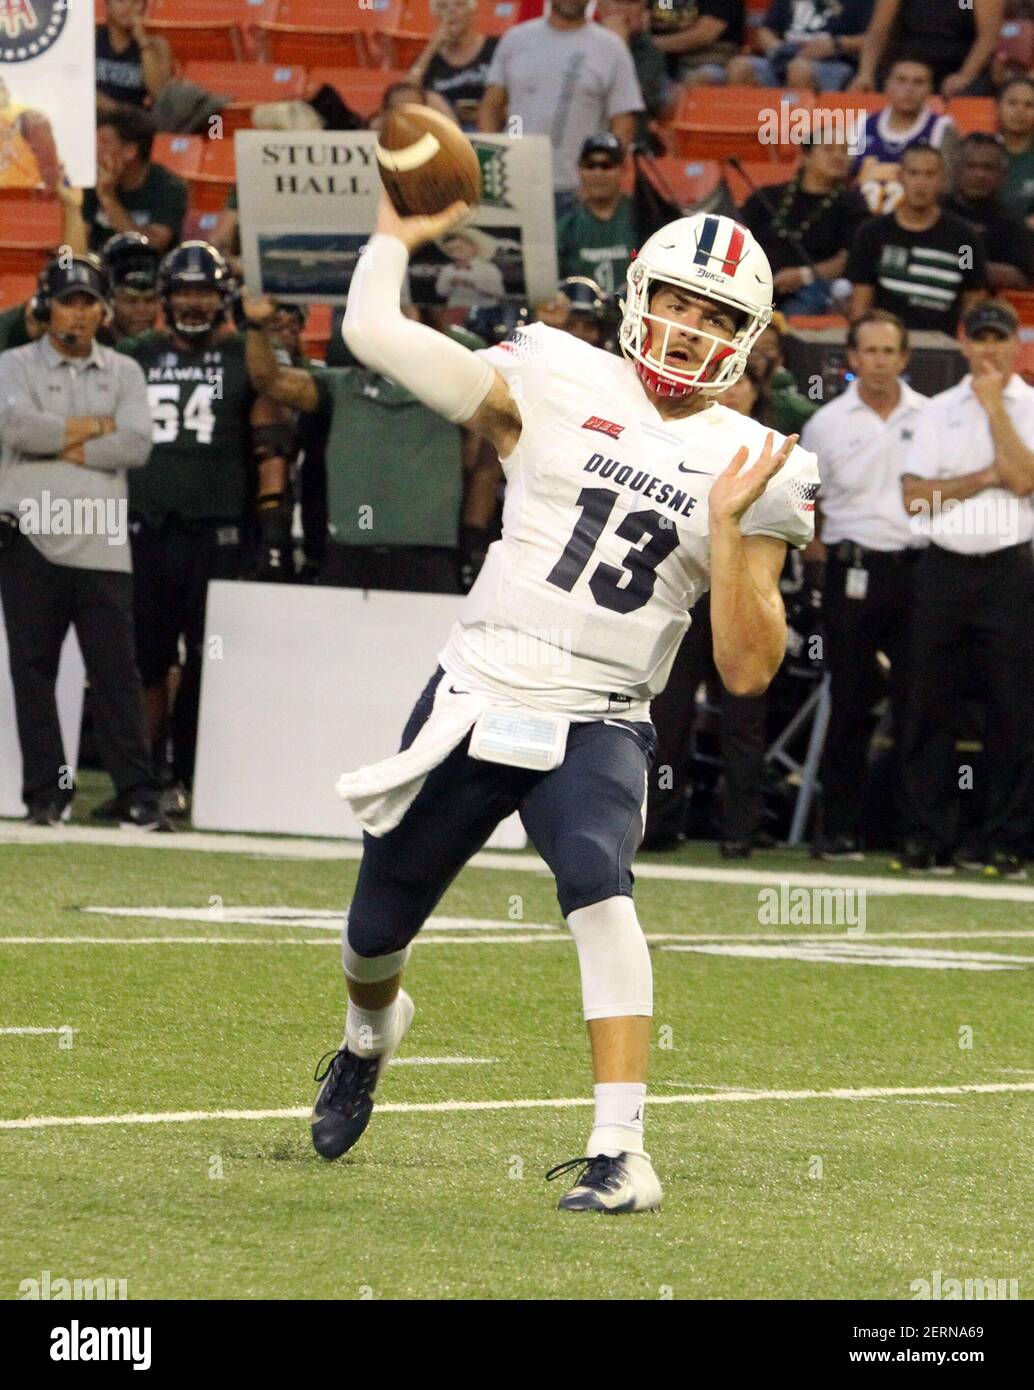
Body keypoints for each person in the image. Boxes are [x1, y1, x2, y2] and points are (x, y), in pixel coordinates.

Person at [294, 189, 818, 1215]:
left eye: (716, 316)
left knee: (596, 879)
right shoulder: (551, 369)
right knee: (374, 926)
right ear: (637, 296)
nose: (689, 327)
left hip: (598, 714)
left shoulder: (765, 464)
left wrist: (724, 532)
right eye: (678, 300)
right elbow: (367, 331)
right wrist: (393, 239)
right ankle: (368, 1037)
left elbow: (749, 669)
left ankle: (620, 1149)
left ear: (746, 339)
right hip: (476, 691)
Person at [116, 243, 289, 816]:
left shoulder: (246, 355)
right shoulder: (137, 354)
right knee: (145, 658)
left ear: (224, 297)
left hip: (217, 535)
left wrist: (271, 526)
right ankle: (140, 784)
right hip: (145, 531)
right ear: (165, 298)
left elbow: (270, 444)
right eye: (185, 291)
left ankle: (186, 776)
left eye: (205, 291)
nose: (194, 302)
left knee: (202, 661)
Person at [0, 255, 167, 830]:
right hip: (28, 539)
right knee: (33, 672)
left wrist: (58, 440)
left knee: (116, 673)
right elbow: (15, 429)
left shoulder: (125, 372)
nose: (78, 313)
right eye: (67, 301)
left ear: (103, 310)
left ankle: (138, 795)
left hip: (102, 541)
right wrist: (98, 427)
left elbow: (138, 445)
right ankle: (47, 795)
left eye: (88, 302)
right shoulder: (11, 365)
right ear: (45, 307)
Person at [898, 300, 1034, 877]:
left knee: (1013, 709)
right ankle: (928, 836)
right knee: (929, 705)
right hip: (943, 568)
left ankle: (1004, 839)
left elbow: (1025, 480)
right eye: (980, 340)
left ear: (1015, 345)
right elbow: (916, 498)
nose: (989, 350)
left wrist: (995, 407)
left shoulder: (1030, 406)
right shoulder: (934, 412)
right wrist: (984, 476)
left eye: (999, 340)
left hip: (1010, 569)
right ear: (964, 344)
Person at [801, 311, 927, 860]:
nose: (878, 361)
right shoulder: (824, 424)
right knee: (849, 700)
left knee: (920, 703)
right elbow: (806, 510)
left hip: (920, 570)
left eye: (888, 350)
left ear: (904, 357)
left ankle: (918, 833)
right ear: (852, 358)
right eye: (868, 351)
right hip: (849, 571)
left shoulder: (935, 418)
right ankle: (841, 830)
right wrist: (814, 565)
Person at [643, 364, 771, 858]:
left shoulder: (776, 449)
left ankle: (740, 828)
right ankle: (657, 822)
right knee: (668, 712)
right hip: (684, 589)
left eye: (744, 379)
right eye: (726, 380)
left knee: (744, 716)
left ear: (758, 388)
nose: (735, 390)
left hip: (741, 594)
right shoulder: (680, 438)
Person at [478, 0, 644, 218]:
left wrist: (599, 181)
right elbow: (490, 109)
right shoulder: (516, 39)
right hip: (516, 184)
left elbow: (623, 124)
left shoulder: (611, 48)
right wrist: (491, 173)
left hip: (578, 192)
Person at [847, 144, 987, 335]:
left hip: (942, 349)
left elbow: (972, 299)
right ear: (900, 177)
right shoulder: (871, 234)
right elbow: (860, 307)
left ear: (942, 180)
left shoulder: (965, 240)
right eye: (913, 173)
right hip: (887, 350)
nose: (921, 183)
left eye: (929, 174)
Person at [740, 134, 870, 315]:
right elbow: (738, 239)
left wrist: (803, 275)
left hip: (811, 288)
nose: (839, 156)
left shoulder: (852, 204)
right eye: (828, 149)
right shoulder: (767, 197)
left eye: (845, 151)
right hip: (757, 282)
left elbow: (850, 260)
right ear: (806, 156)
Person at [71, 109, 187, 256]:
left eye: (104, 142)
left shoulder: (168, 187)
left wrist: (108, 198)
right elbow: (77, 247)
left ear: (130, 151)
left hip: (144, 271)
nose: (94, 148)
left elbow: (152, 245)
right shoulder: (91, 180)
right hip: (98, 267)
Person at [852, 59, 957, 216]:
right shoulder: (863, 123)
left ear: (930, 89)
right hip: (861, 220)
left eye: (918, 82)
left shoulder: (941, 128)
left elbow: (947, 187)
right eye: (901, 80)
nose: (909, 89)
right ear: (887, 85)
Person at [852, 0, 1005, 98]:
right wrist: (865, 73)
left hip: (959, 65)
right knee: (861, 87)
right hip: (908, 62)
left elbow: (988, 38)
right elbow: (877, 31)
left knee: (970, 93)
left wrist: (964, 76)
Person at [945, 133, 1034, 292]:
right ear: (955, 170)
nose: (980, 175)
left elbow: (1023, 277)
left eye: (988, 167)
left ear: (1003, 175)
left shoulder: (1012, 224)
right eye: (971, 166)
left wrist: (966, 265)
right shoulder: (935, 211)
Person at [726, 0, 875, 91]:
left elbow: (874, 39)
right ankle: (746, 136)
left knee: (799, 70)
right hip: (785, 56)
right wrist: (776, 47)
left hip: (833, 60)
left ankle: (799, 139)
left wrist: (836, 44)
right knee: (739, 66)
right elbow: (765, 30)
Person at [556, 132, 636, 294]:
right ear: (580, 170)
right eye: (590, 165)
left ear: (623, 169)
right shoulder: (565, 223)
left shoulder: (643, 216)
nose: (598, 173)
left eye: (606, 165)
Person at [407, 0, 500, 129]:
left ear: (472, 11)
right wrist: (432, 47)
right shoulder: (429, 58)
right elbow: (405, 96)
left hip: (492, 125)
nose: (451, 11)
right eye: (442, 6)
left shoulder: (495, 47)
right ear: (435, 15)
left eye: (459, 4)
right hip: (444, 129)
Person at [96, 0, 173, 113]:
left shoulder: (157, 46)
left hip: (136, 122)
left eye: (136, 1)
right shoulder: (91, 39)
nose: (129, 7)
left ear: (144, 7)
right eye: (121, 1)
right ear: (107, 5)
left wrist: (143, 42)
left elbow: (159, 95)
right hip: (95, 118)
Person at [648, 0, 746, 87]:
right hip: (657, 61)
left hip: (707, 62)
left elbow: (704, 35)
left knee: (702, 77)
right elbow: (639, 20)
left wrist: (649, 44)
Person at [101, 232, 162, 343]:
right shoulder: (91, 347)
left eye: (149, 300)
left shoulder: (170, 345)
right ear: (110, 301)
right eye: (131, 301)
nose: (141, 310)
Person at [435, 228, 505, 309]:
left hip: (484, 310)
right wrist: (450, 284)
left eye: (460, 249)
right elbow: (440, 292)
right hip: (456, 310)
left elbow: (499, 293)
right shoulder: (447, 269)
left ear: (473, 248)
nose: (455, 254)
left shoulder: (488, 268)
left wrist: (474, 285)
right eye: (451, 251)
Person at [998, 76, 1034, 222]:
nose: (1020, 111)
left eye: (1029, 105)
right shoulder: (981, 155)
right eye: (1012, 103)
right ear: (998, 107)